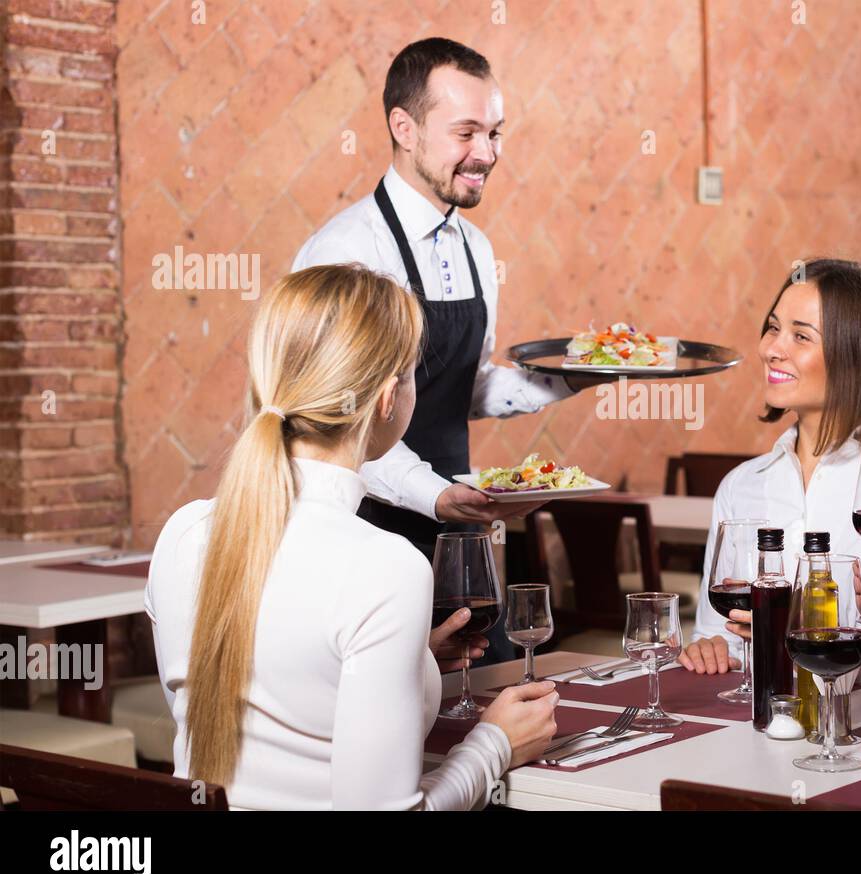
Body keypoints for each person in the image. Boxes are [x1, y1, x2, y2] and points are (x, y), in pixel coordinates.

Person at [145, 265, 559, 810]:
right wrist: (494, 744)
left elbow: (285, 692)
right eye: (413, 374)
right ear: (389, 398)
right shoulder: (384, 566)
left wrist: (411, 658)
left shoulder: (181, 534)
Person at [292, 38, 606, 662]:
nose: (486, 153)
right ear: (403, 128)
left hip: (458, 533)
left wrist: (577, 373)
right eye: (466, 132)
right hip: (361, 526)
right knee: (391, 711)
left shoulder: (477, 249)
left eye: (495, 132)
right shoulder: (348, 251)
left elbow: (470, 385)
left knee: (472, 699)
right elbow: (332, 419)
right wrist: (431, 492)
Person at [678, 259, 861, 684]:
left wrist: (793, 640)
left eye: (801, 336)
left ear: (859, 357)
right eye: (773, 328)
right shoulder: (741, 485)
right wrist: (709, 649)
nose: (770, 349)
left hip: (860, 729)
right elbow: (717, 633)